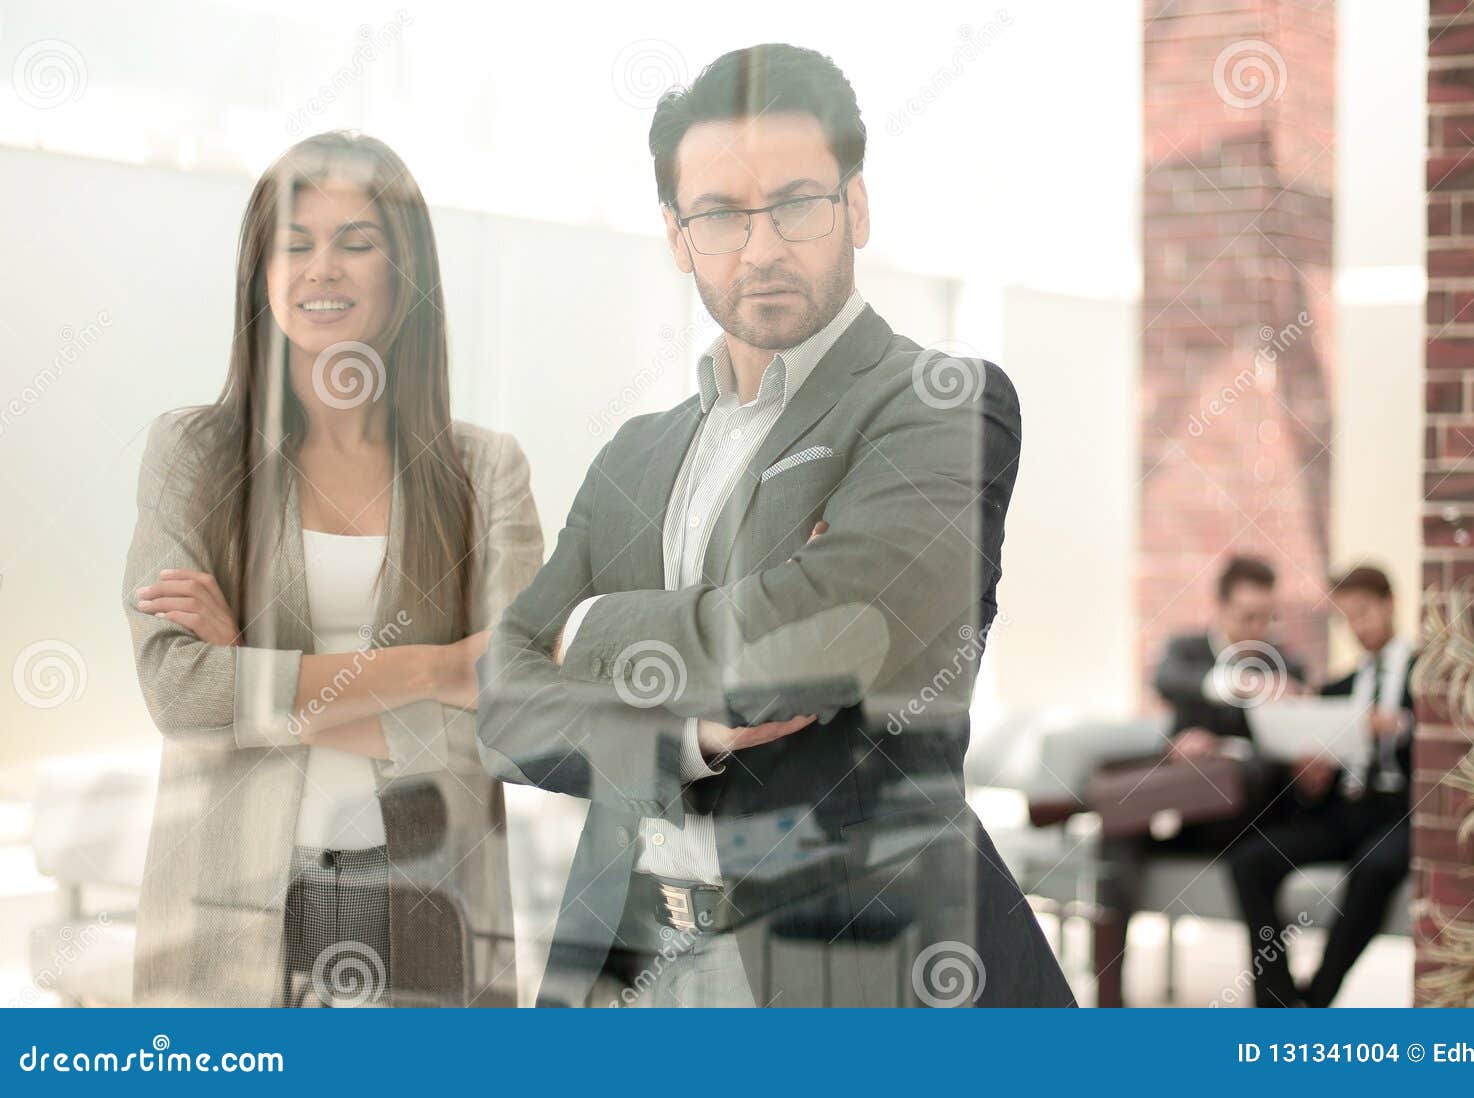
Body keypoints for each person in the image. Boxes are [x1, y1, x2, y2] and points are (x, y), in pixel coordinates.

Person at [473, 43, 1073, 1008]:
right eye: (719, 215)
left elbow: (833, 635)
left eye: (796, 202)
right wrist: (684, 731)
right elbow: (502, 708)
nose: (761, 248)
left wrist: (590, 633)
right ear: (678, 236)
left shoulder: (938, 403)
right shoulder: (633, 451)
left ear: (856, 209)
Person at [122, 132, 542, 1007]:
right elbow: (181, 694)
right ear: (260, 270)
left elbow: (513, 722)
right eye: (297, 243)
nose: (324, 269)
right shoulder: (194, 455)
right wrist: (435, 669)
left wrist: (257, 674)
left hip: (429, 889)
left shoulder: (483, 471)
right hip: (232, 901)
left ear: (404, 272)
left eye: (356, 243)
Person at [1094, 554, 1306, 1007]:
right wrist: (1191, 738)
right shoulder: (1186, 652)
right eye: (1246, 616)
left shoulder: (1286, 665)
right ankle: (1107, 1002)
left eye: (1266, 617)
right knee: (1115, 836)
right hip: (1179, 814)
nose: (1257, 628)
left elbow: (1286, 752)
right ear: (1221, 608)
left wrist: (1227, 747)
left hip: (1242, 821)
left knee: (1250, 778)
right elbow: (1168, 679)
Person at [1227, 564, 1415, 1007]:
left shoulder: (1427, 678)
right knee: (1249, 862)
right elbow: (1317, 774)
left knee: (1374, 868)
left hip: (1400, 812)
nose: (1358, 627)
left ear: (1390, 604)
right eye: (1347, 618)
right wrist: (1309, 776)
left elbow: (1445, 747)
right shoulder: (1338, 689)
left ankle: (1316, 1000)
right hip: (1345, 810)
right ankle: (1276, 1001)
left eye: (1365, 612)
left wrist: (1400, 728)